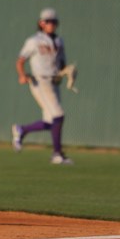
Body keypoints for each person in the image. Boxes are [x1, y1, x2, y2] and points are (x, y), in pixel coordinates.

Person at [12, 8, 72, 165]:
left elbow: (62, 65)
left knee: (50, 121)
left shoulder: (59, 41)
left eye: (53, 21)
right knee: (59, 115)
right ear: (41, 23)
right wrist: (22, 75)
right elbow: (20, 60)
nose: (51, 24)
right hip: (40, 81)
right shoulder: (34, 41)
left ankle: (22, 130)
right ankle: (57, 154)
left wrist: (67, 72)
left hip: (54, 82)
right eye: (47, 21)